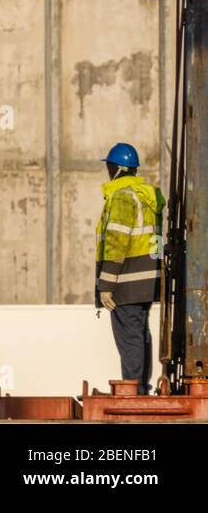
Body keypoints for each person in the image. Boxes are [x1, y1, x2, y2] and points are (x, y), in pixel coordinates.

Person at [96, 142, 165, 396]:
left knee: (129, 337)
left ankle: (133, 390)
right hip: (147, 280)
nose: (108, 170)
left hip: (127, 280)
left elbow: (116, 243)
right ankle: (140, 387)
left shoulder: (123, 196)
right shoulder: (147, 197)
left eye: (110, 166)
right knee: (139, 333)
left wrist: (106, 286)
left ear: (118, 169)